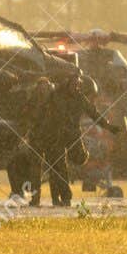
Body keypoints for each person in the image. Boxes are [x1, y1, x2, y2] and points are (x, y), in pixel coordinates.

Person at [40, 78, 92, 206]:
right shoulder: (55, 98)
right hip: (53, 138)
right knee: (58, 168)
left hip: (57, 137)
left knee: (58, 168)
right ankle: (62, 198)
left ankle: (60, 198)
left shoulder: (60, 98)